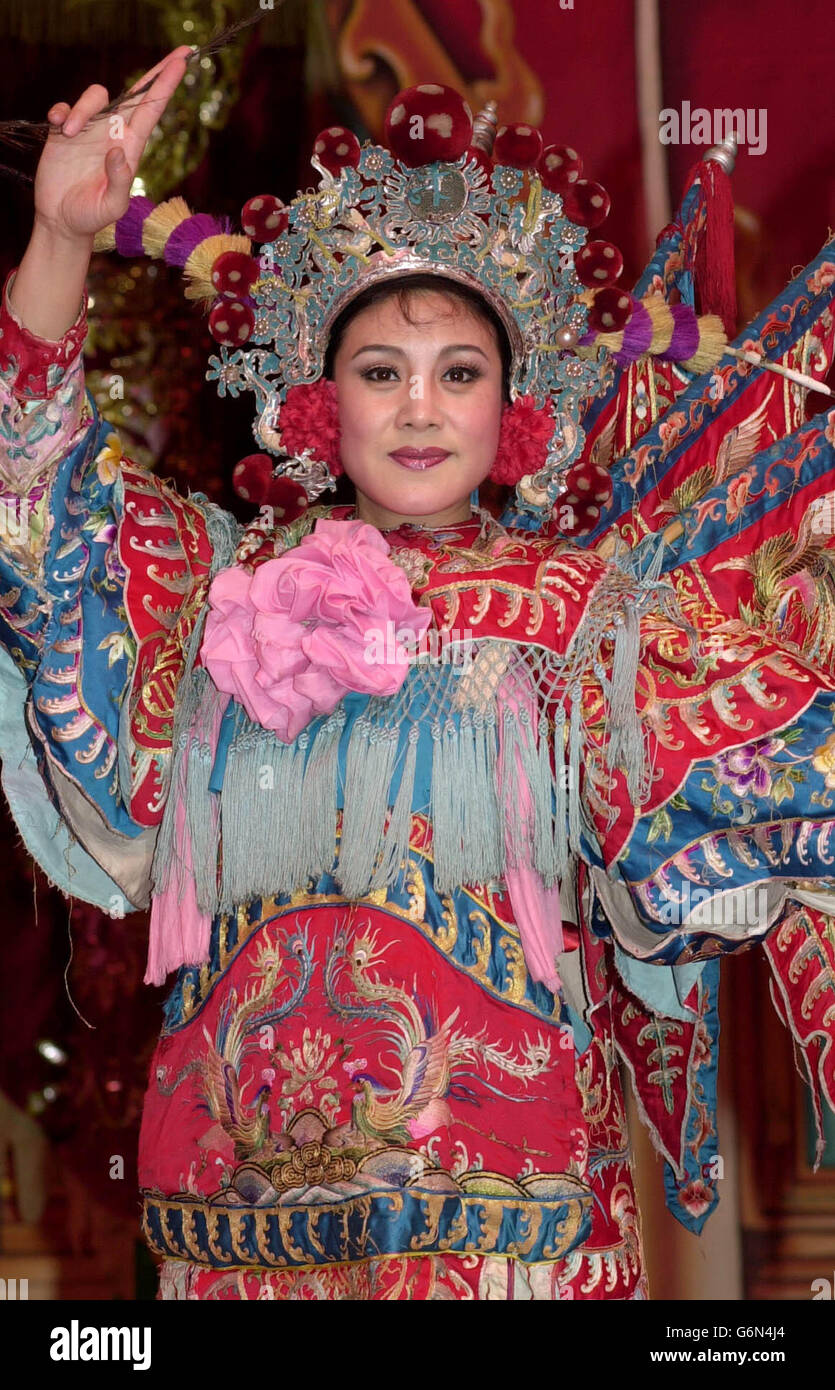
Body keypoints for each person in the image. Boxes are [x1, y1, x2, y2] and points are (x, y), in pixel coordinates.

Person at [3, 47, 835, 1302]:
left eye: (460, 373)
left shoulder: (585, 617)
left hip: (502, 1218)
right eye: (380, 373)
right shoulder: (217, 586)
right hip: (237, 1224)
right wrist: (59, 244)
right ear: (318, 401)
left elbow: (764, 778)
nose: (418, 408)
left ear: (515, 408)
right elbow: (40, 517)